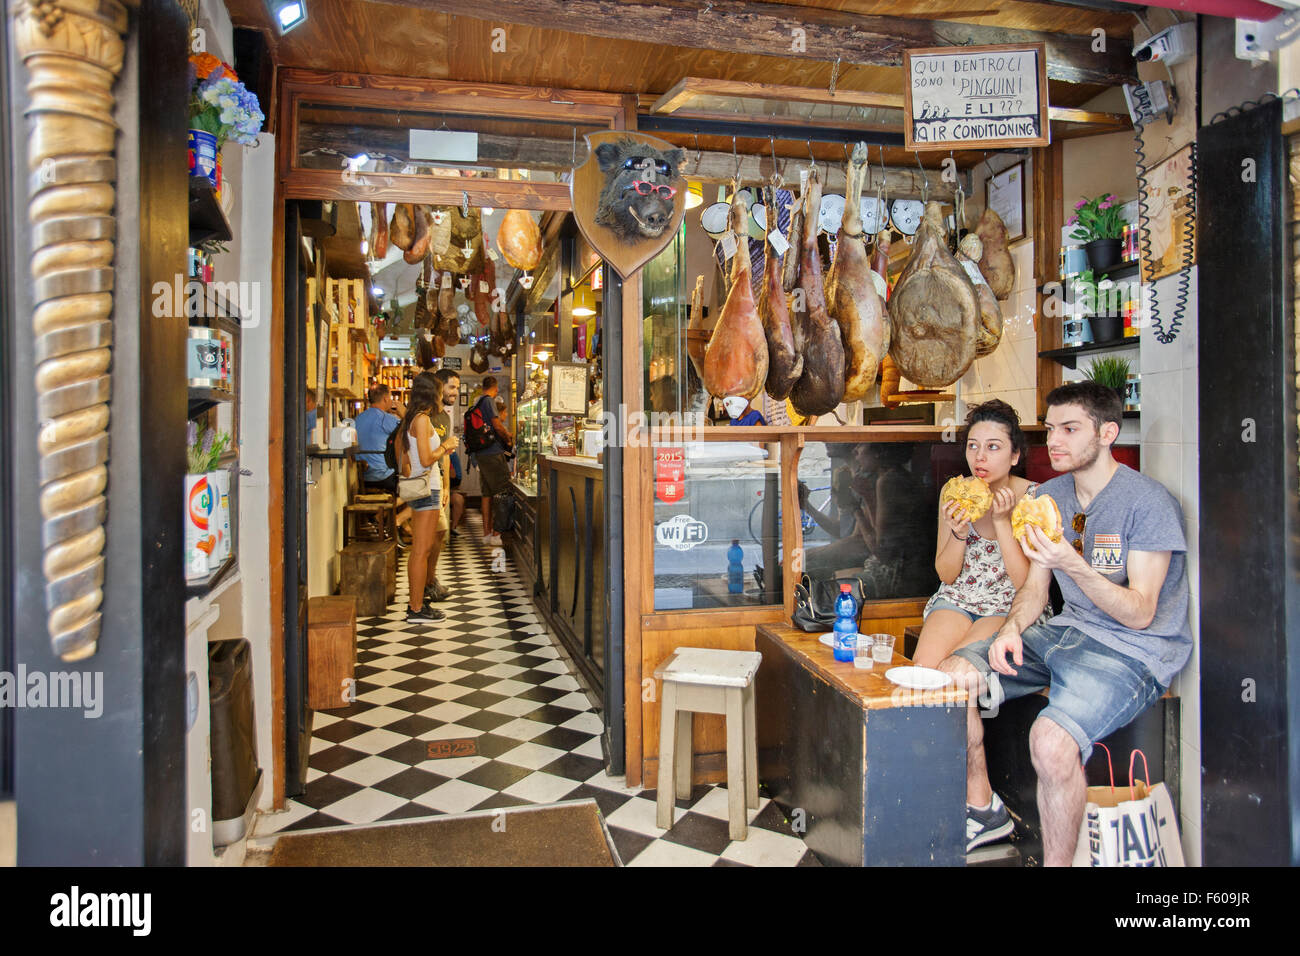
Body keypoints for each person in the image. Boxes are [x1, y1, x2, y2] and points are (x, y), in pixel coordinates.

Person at [939, 382, 1191, 864]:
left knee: (1050, 743)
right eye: (1052, 428)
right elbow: (1034, 588)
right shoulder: (1051, 494)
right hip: (1064, 634)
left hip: (1133, 652)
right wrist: (1011, 629)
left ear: (1107, 433)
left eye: (1070, 429)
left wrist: (1071, 563)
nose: (1054, 440)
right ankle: (984, 808)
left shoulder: (1148, 503)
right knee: (951, 679)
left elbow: (1141, 612)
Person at [913, 399, 1043, 669]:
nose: (979, 457)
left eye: (993, 446)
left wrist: (1002, 521)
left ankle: (970, 712)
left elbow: (1026, 585)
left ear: (1015, 455)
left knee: (955, 668)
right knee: (923, 668)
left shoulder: (1035, 499)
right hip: (958, 598)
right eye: (973, 446)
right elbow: (946, 575)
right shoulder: (955, 493)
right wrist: (959, 534)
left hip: (1008, 606)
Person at [395, 371, 459, 625]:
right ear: (431, 392)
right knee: (421, 551)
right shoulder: (421, 420)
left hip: (424, 486)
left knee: (422, 549)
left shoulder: (411, 418)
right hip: (427, 488)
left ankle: (418, 603)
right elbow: (425, 458)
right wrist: (446, 446)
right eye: (440, 389)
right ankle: (416, 608)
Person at [353, 383, 412, 545]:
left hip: (362, 477)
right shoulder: (386, 419)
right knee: (415, 485)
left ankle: (395, 525)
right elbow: (411, 430)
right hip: (382, 476)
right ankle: (392, 523)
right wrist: (403, 413)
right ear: (386, 398)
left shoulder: (357, 419)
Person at [423, 368, 460, 604]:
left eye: (457, 387)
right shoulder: (425, 415)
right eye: (452, 387)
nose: (455, 392)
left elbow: (445, 456)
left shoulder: (444, 417)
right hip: (423, 481)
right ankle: (425, 587)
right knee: (428, 540)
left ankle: (430, 580)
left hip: (437, 482)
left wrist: (447, 486)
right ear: (439, 387)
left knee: (439, 534)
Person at [466, 375, 513, 547]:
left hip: (480, 454)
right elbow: (497, 425)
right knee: (504, 491)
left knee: (487, 494)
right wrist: (508, 437)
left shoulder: (477, 402)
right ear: (495, 388)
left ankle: (486, 533)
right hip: (492, 453)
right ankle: (496, 533)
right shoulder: (488, 401)